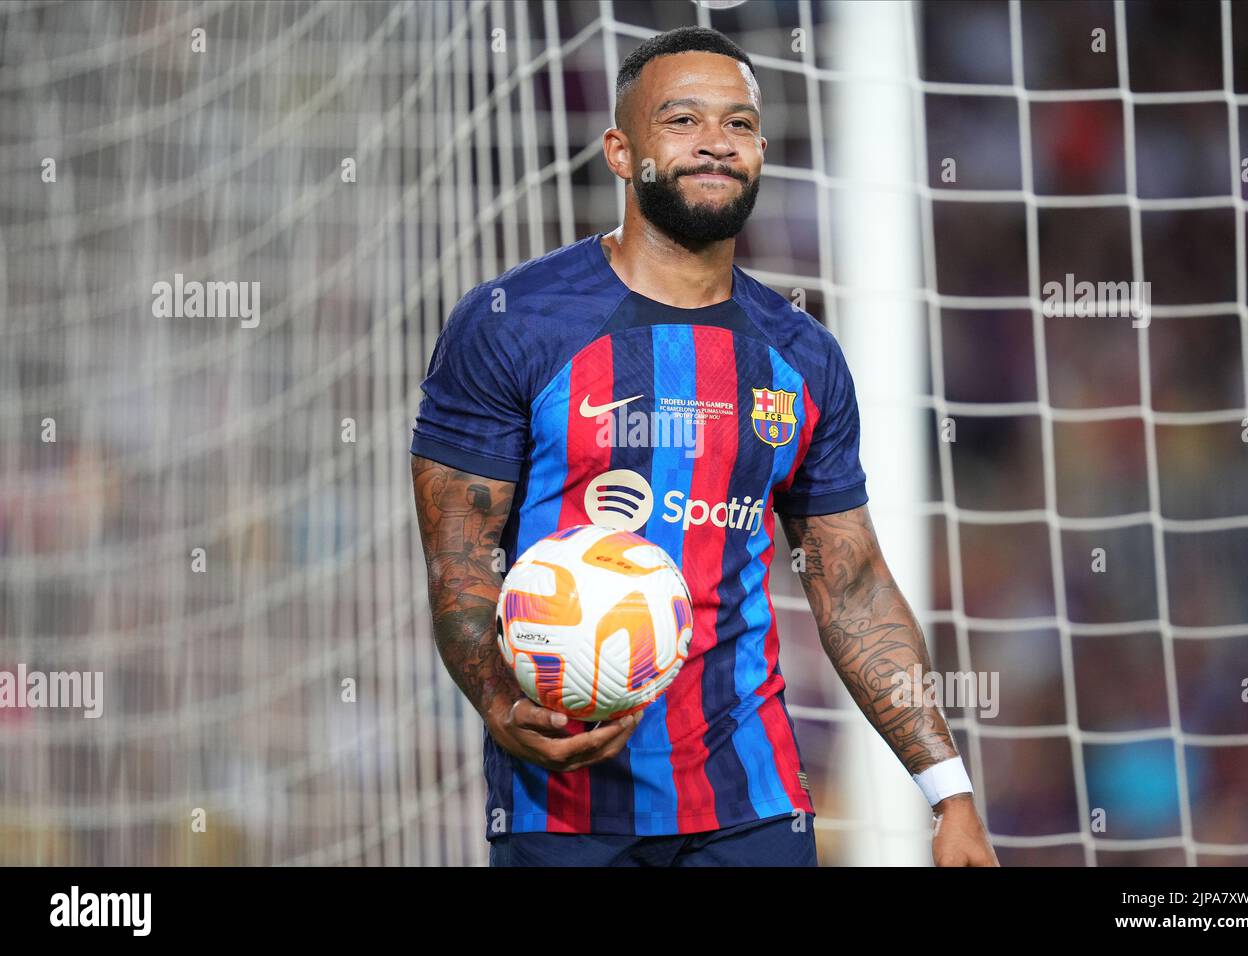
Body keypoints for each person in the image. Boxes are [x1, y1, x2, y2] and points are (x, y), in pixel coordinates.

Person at [411, 25, 997, 867]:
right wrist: (503, 706)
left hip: (750, 807)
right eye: (682, 120)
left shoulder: (802, 357)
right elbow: (460, 565)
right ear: (621, 150)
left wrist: (949, 792)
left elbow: (853, 586)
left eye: (739, 124)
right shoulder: (513, 324)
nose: (716, 142)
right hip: (558, 811)